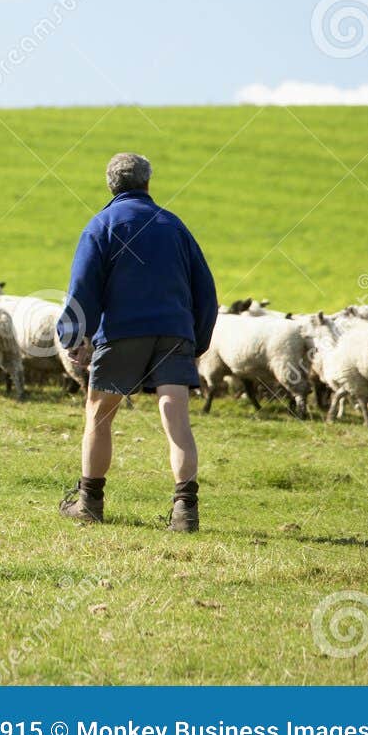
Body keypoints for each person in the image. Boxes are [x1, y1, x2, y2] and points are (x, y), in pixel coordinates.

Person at [55, 152, 217, 532]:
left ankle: (90, 504)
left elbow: (84, 286)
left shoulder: (102, 224)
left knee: (99, 415)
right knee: (176, 419)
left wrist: (74, 335)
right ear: (147, 183)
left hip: (123, 331)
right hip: (175, 331)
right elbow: (205, 291)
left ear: (111, 185)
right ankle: (184, 512)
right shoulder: (175, 226)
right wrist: (197, 341)